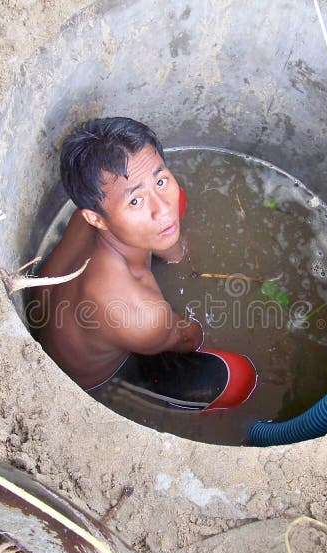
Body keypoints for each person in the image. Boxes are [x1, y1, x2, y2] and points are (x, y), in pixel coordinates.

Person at [29, 117, 255, 411]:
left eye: (160, 181)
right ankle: (132, 387)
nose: (162, 209)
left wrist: (175, 254)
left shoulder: (88, 216)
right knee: (238, 379)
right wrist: (195, 318)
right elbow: (190, 338)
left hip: (58, 314)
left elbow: (170, 235)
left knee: (177, 201)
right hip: (86, 379)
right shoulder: (141, 314)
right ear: (95, 218)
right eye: (135, 201)